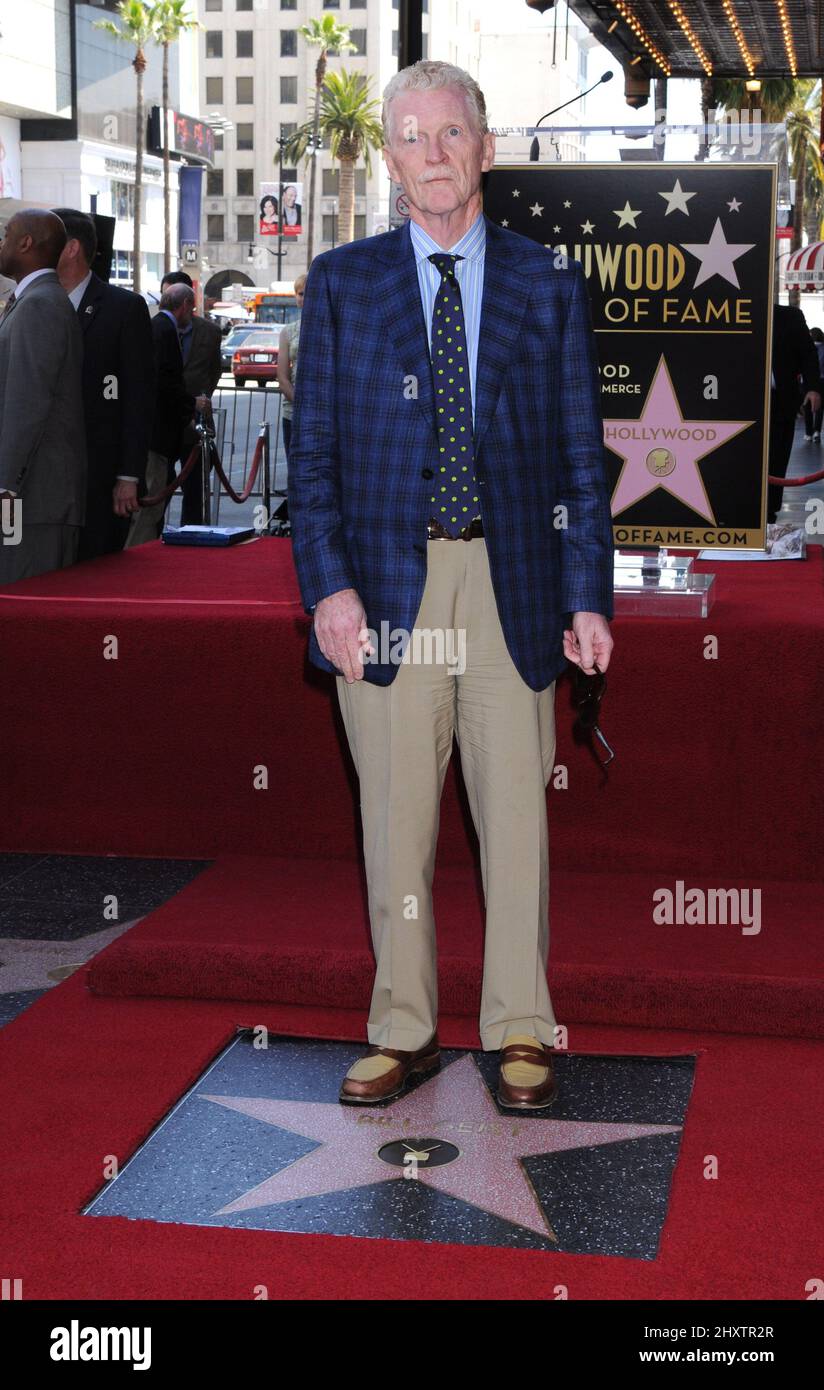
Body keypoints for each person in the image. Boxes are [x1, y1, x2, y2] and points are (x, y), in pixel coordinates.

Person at [288, 61, 614, 1110]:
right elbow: (316, 457)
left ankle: (519, 1023)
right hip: (384, 593)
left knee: (515, 815)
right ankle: (404, 1025)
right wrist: (326, 589)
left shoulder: (547, 282)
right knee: (394, 821)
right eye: (410, 135)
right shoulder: (340, 284)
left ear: (482, 146)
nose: (430, 153)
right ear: (388, 157)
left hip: (509, 583)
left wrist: (586, 595)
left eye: (449, 133)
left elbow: (579, 458)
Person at [54, 208, 155, 560]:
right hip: (45, 482)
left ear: (71, 248)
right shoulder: (26, 304)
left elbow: (137, 396)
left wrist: (129, 475)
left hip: (100, 477)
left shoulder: (123, 308)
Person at [0, 209, 86, 583]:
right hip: (32, 496)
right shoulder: (34, 299)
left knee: (26, 619)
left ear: (25, 242)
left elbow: (27, 402)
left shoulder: (39, 304)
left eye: (5, 235)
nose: (0, 244)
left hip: (32, 498)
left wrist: (5, 486)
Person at [126, 283, 204, 547]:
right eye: (191, 308)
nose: (191, 313)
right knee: (150, 503)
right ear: (184, 306)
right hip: (157, 434)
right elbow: (166, 382)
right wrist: (191, 404)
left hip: (154, 432)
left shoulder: (156, 326)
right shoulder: (165, 331)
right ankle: (139, 556)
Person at [161, 271, 222, 525]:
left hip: (196, 424)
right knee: (158, 488)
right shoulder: (155, 327)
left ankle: (192, 536)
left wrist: (197, 402)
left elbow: (213, 372)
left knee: (195, 490)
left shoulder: (209, 332)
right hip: (162, 423)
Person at [768, 303, 822, 523]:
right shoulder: (733, 310)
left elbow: (808, 355)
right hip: (742, 403)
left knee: (777, 458)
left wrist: (813, 388)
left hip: (781, 402)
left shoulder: (791, 316)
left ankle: (769, 511)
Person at [276, 274, 305, 463]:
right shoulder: (288, 331)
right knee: (294, 467)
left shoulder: (334, 328)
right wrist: (300, 403)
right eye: (301, 293)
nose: (304, 298)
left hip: (324, 412)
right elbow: (282, 377)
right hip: (293, 412)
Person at [804, 326, 824, 442]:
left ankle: (809, 432)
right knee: (819, 407)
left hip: (809, 380)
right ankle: (816, 431)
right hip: (821, 380)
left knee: (808, 406)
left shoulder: (807, 348)